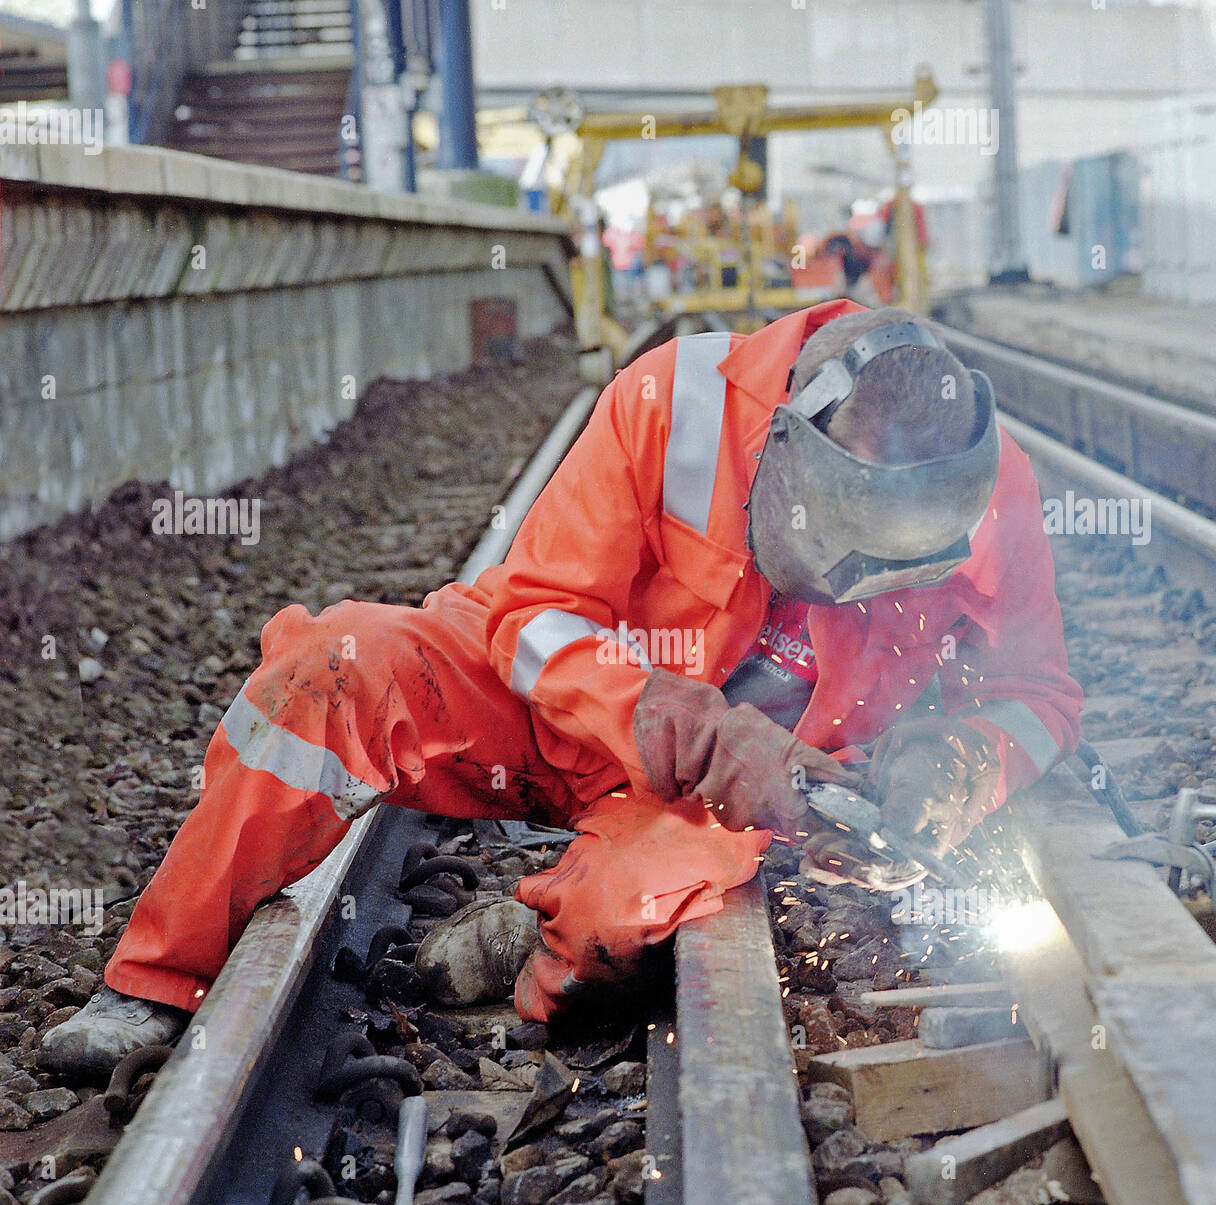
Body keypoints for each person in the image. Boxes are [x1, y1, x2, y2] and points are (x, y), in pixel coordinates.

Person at [43, 300, 1082, 1076]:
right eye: (845, 555)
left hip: (731, 792)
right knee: (333, 671)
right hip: (554, 716)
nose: (860, 591)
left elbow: (1038, 688)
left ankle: (523, 955)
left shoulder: (997, 490)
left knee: (612, 920)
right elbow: (526, 616)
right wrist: (653, 706)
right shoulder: (671, 401)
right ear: (785, 446)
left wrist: (962, 763)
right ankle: (152, 980)